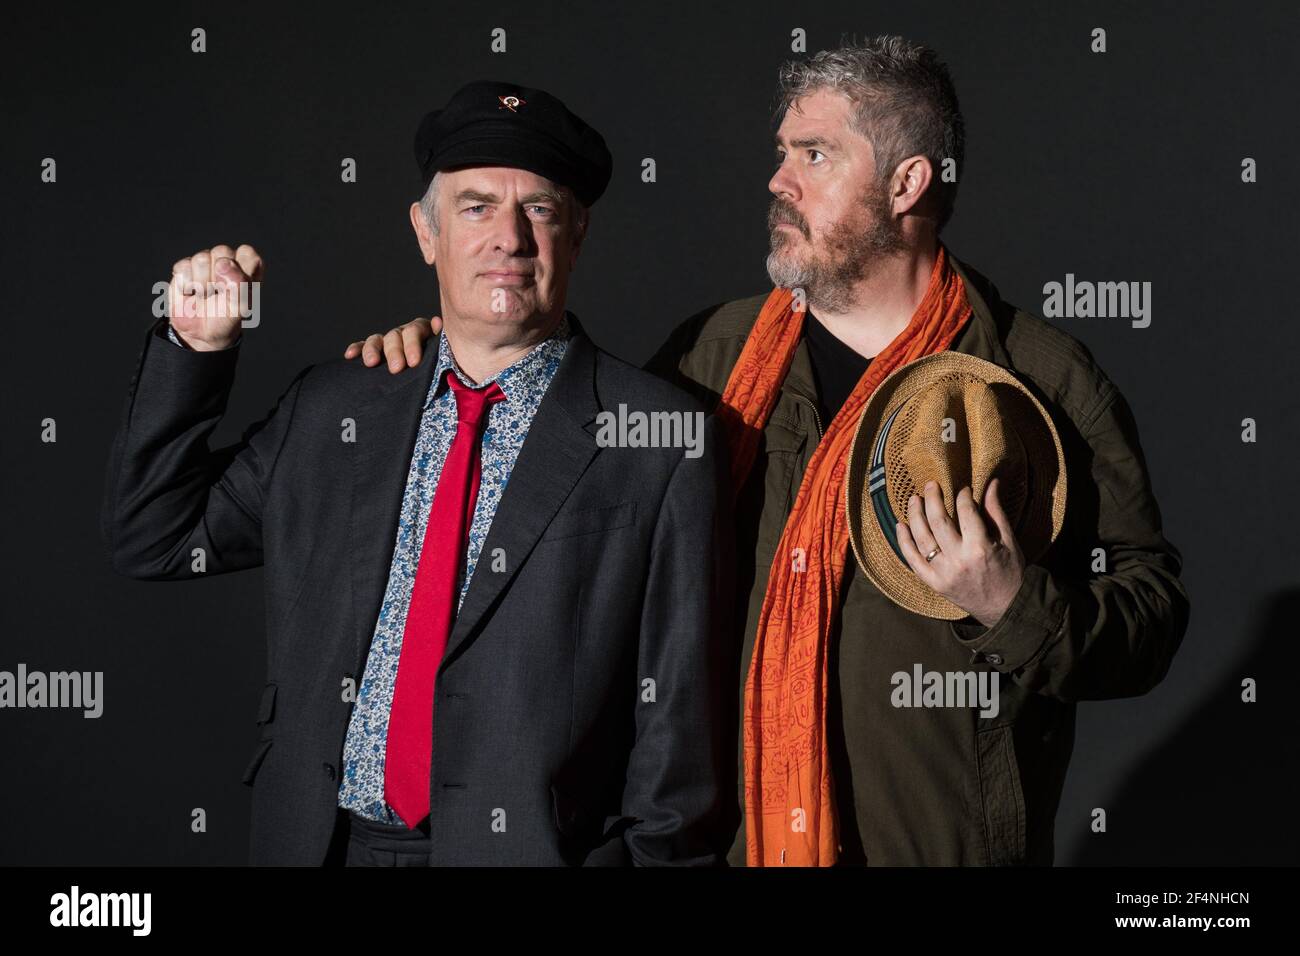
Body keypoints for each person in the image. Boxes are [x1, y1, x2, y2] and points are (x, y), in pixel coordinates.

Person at [347, 40, 1190, 866]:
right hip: (724, 849)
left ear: (907, 182)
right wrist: (460, 349)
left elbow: (1149, 620)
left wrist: (1013, 604)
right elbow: (561, 463)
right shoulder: (714, 355)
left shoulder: (1036, 380)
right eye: (783, 153)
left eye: (815, 155)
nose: (778, 181)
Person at [101, 80, 734, 866]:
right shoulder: (334, 407)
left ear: (578, 232)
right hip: (318, 845)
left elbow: (679, 737)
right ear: (425, 232)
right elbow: (156, 537)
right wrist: (194, 347)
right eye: (474, 207)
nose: (508, 238)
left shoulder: (660, 442)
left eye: (537, 208)